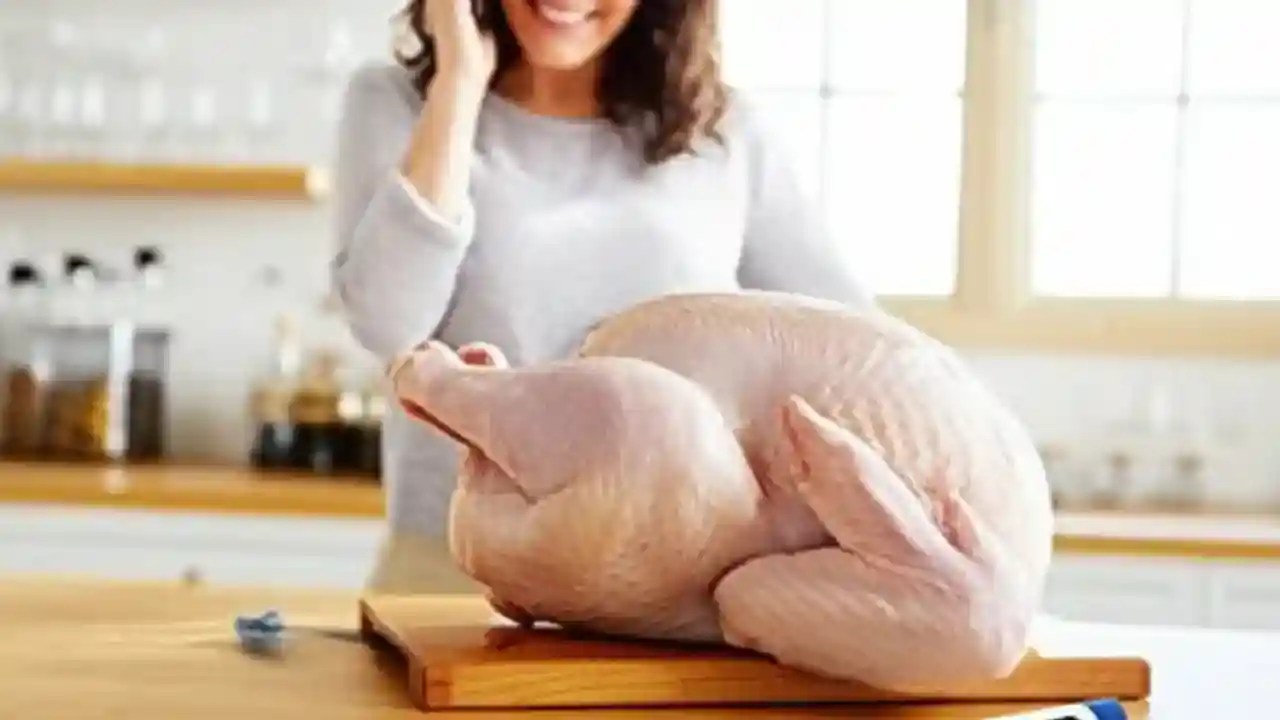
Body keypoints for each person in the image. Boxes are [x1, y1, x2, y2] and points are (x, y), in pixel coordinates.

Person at [330, 0, 875, 592]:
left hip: (676, 581)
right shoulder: (395, 103)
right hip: (457, 571)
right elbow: (388, 324)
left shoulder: (727, 132)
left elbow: (852, 348)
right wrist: (460, 81)